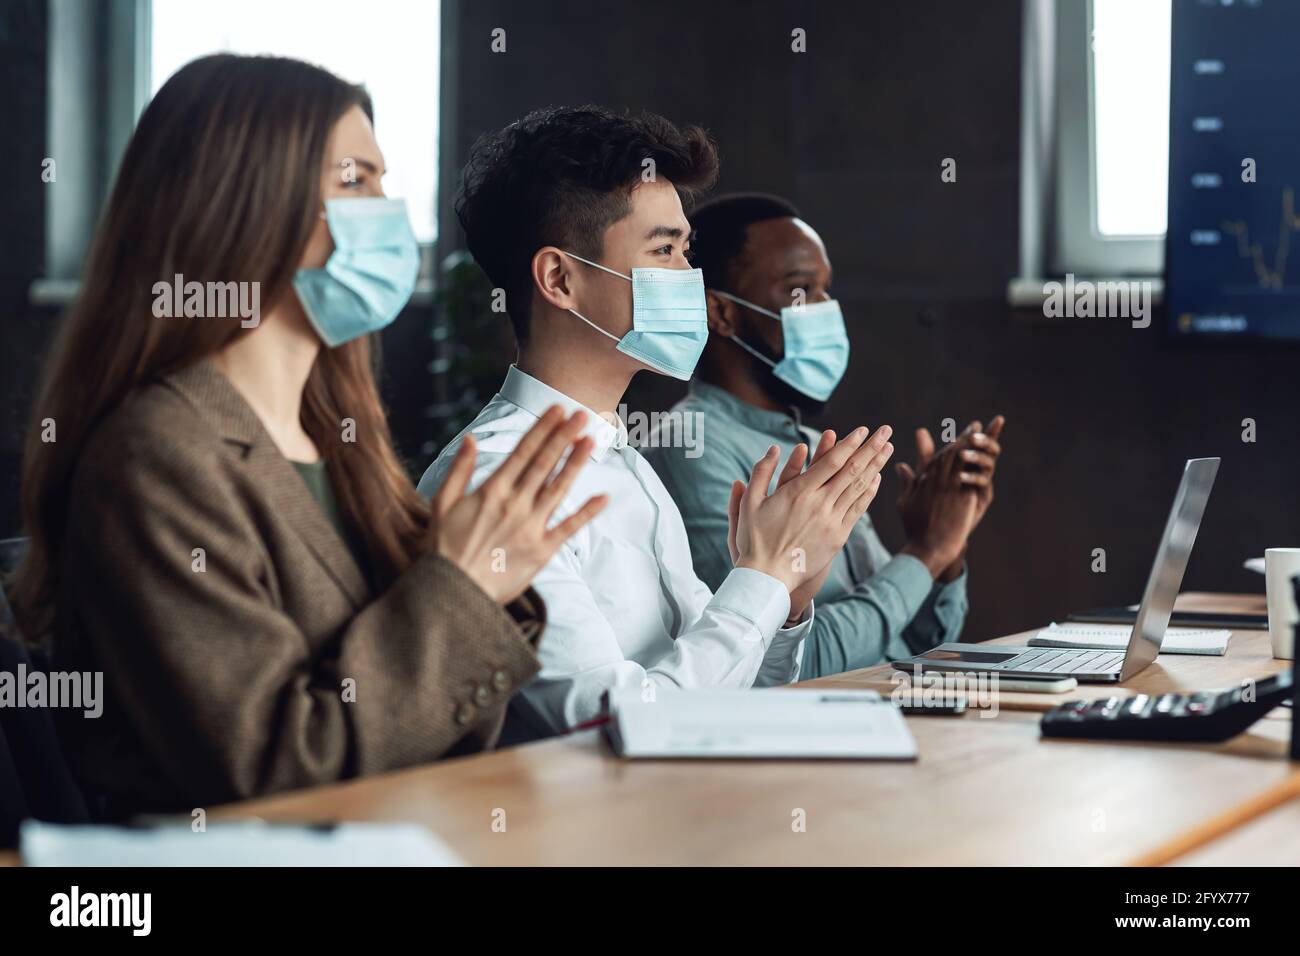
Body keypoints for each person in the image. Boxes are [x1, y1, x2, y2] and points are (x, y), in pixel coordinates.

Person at [10, 55, 604, 818]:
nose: (387, 212)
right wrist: (463, 588)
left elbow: (434, 730)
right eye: (354, 181)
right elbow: (269, 766)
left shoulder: (339, 438)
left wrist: (484, 577)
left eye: (385, 182)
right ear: (242, 201)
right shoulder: (157, 453)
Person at [419, 108, 894, 743]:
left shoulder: (627, 463)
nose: (689, 282)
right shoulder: (494, 485)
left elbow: (731, 699)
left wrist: (788, 600)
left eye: (685, 251)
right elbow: (622, 724)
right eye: (664, 250)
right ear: (560, 279)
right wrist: (762, 578)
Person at [645, 193, 1005, 679]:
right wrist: (924, 555)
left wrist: (945, 543)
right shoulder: (690, 448)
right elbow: (785, 665)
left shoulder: (816, 444)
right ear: (720, 312)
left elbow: (922, 646)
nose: (824, 309)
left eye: (824, 290)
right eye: (800, 290)